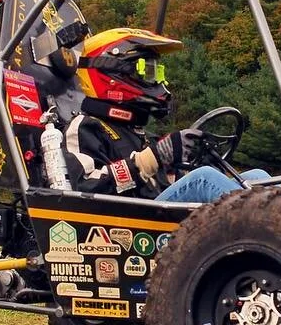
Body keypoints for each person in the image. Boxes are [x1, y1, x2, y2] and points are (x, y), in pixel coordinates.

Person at [66, 27, 269, 201]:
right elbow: (83, 187)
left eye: (158, 71)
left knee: (257, 177)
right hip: (121, 227)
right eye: (148, 71)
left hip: (157, 216)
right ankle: (280, 235)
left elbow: (167, 183)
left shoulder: (139, 133)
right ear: (113, 75)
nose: (156, 81)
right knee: (203, 179)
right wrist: (152, 158)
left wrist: (195, 160)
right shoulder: (85, 126)